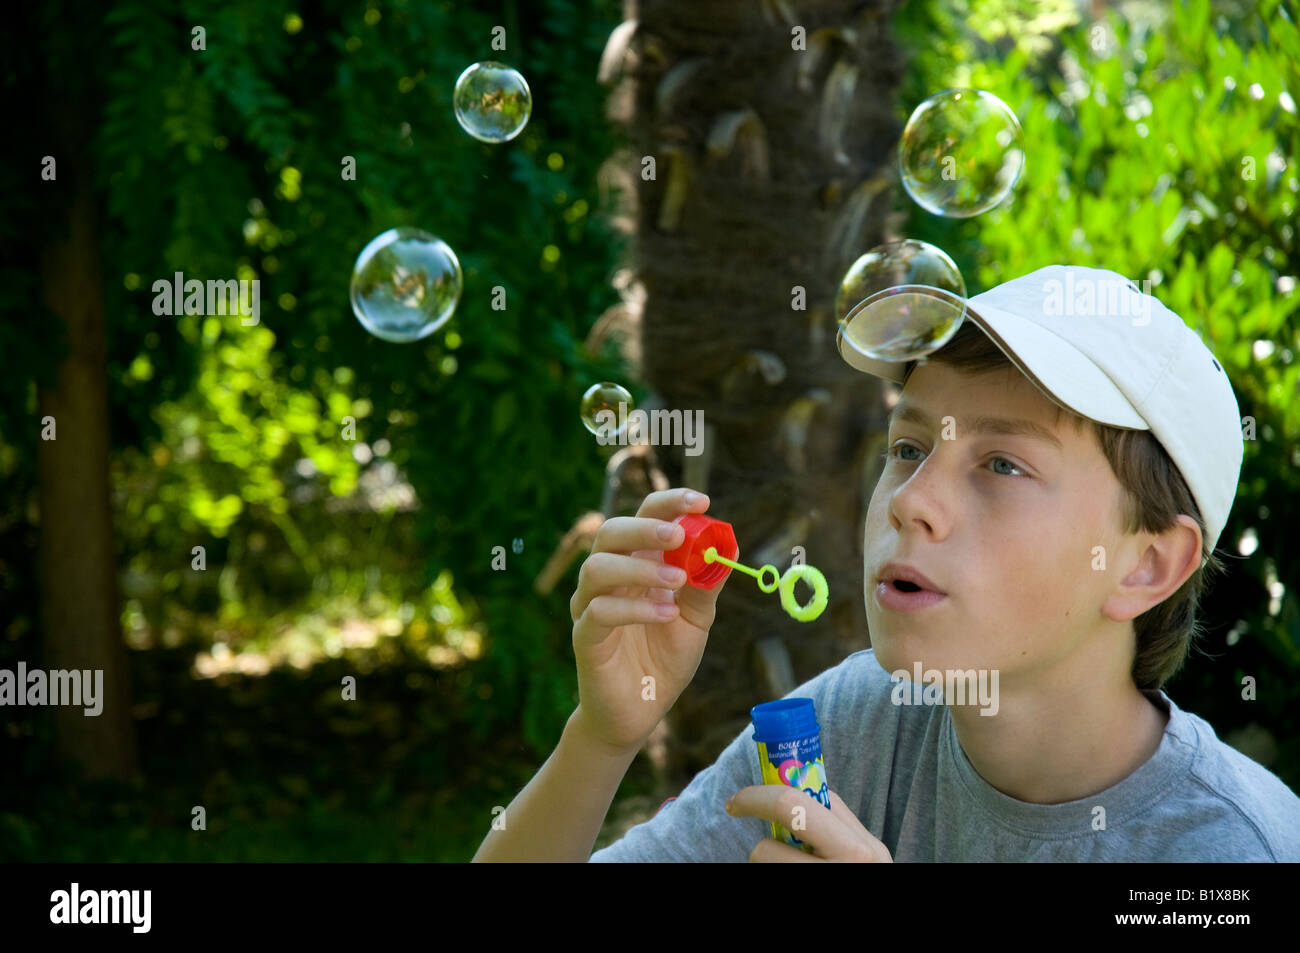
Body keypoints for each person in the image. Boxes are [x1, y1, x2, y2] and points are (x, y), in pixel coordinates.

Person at [472, 265, 1300, 862]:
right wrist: (602, 737)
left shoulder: (1223, 852)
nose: (911, 499)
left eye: (1002, 464)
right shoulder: (857, 724)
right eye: (908, 446)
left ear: (1147, 566)